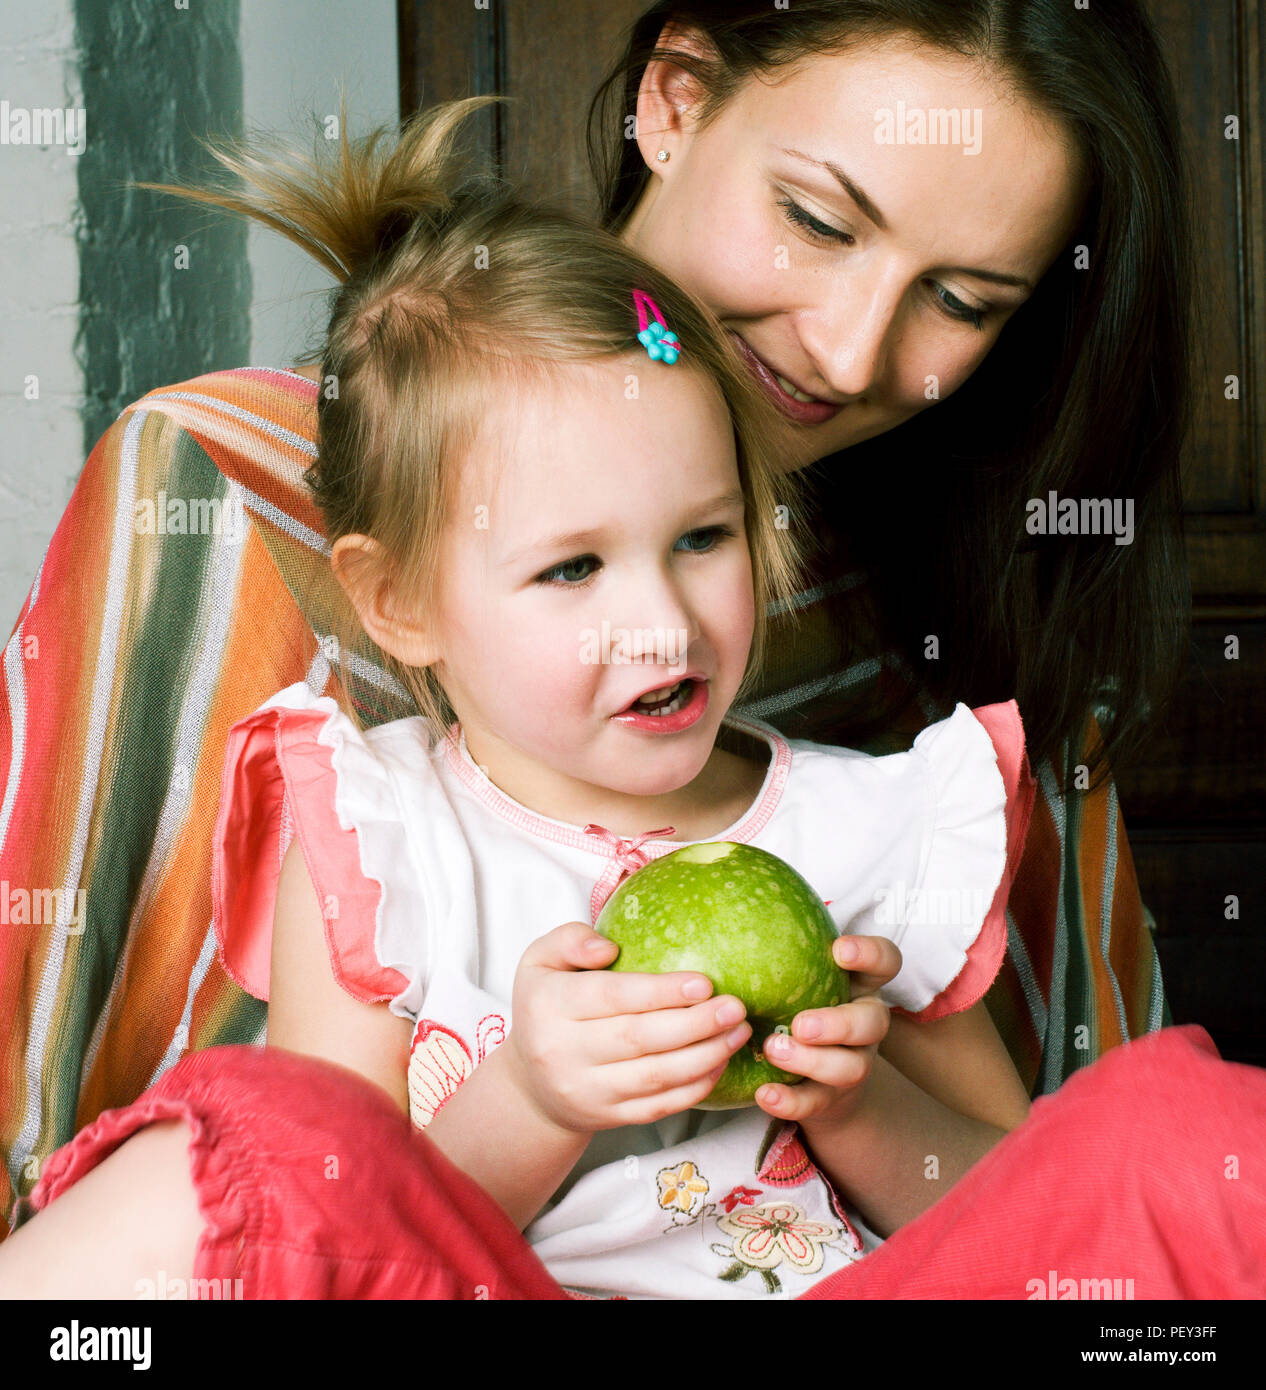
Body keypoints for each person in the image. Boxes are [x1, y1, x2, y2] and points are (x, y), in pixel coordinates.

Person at [1, 98, 1262, 1303]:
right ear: (398, 604)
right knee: (236, 1150)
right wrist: (533, 1100)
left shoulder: (871, 831)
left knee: (1178, 1132)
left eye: (702, 540)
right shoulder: (386, 838)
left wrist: (860, 1100)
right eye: (572, 567)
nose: (662, 620)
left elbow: (1019, 1207)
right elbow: (347, 1209)